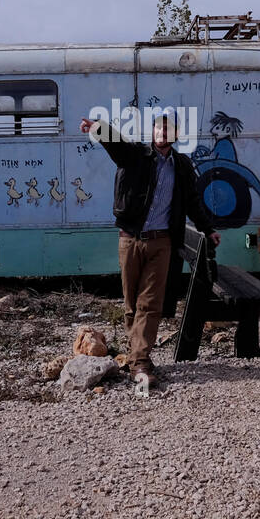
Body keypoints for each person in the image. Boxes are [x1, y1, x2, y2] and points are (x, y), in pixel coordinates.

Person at [78, 113, 220, 387]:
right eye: (158, 129)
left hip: (162, 242)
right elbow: (116, 144)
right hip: (130, 239)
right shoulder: (136, 155)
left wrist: (207, 227)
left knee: (150, 304)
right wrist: (98, 128)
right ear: (153, 132)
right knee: (131, 303)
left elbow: (191, 201)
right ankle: (136, 355)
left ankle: (140, 363)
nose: (162, 133)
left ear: (175, 135)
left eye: (167, 130)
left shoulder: (181, 165)